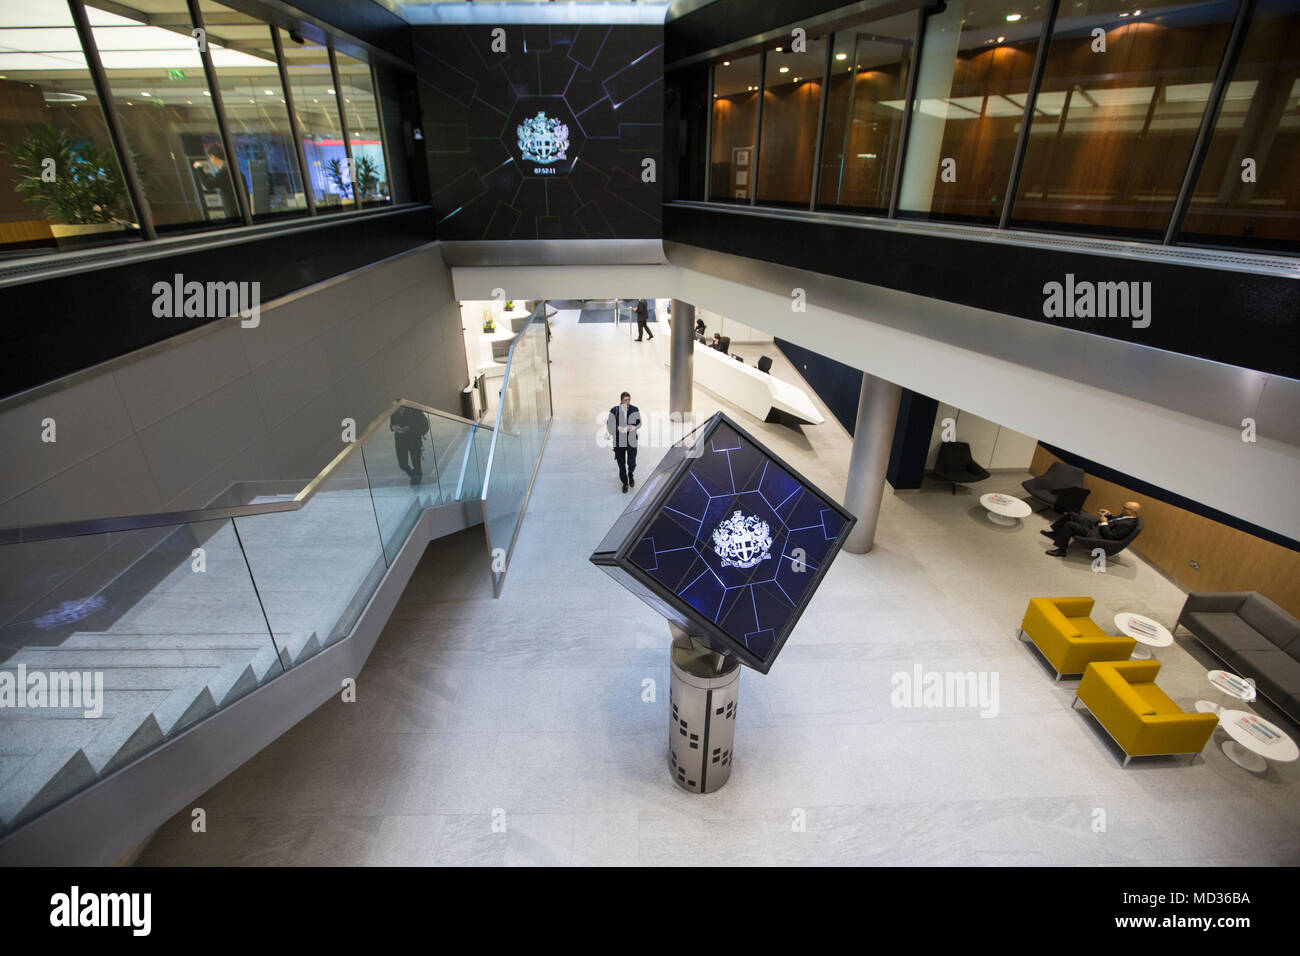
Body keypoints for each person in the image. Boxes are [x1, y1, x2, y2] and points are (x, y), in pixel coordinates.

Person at [1044, 500, 1140, 556]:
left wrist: (1104, 523)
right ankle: (1056, 533)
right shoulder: (1125, 516)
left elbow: (1110, 537)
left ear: (1132, 511)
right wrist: (1109, 515)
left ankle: (1061, 550)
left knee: (1070, 525)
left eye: (1125, 508)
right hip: (1096, 527)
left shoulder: (1127, 524)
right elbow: (1115, 522)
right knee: (1071, 514)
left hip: (1096, 535)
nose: (1122, 509)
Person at [191, 143, 243, 221]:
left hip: (234, 212)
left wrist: (199, 168)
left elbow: (209, 184)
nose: (211, 162)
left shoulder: (224, 172)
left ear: (213, 156)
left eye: (210, 158)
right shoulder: (233, 170)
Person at [606, 391, 642, 493]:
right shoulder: (614, 410)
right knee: (621, 466)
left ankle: (630, 474)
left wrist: (634, 427)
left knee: (632, 463)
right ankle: (625, 483)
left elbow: (639, 423)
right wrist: (618, 428)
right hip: (619, 442)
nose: (627, 402)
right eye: (625, 400)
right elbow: (610, 424)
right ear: (621, 400)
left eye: (629, 400)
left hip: (631, 441)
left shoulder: (635, 409)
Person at [389, 404, 429, 485]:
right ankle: (414, 475)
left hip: (413, 439)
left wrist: (409, 428)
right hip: (400, 441)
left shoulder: (414, 410)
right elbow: (392, 424)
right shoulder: (394, 411)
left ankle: (417, 480)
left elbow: (424, 424)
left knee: (416, 463)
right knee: (402, 464)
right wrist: (393, 427)